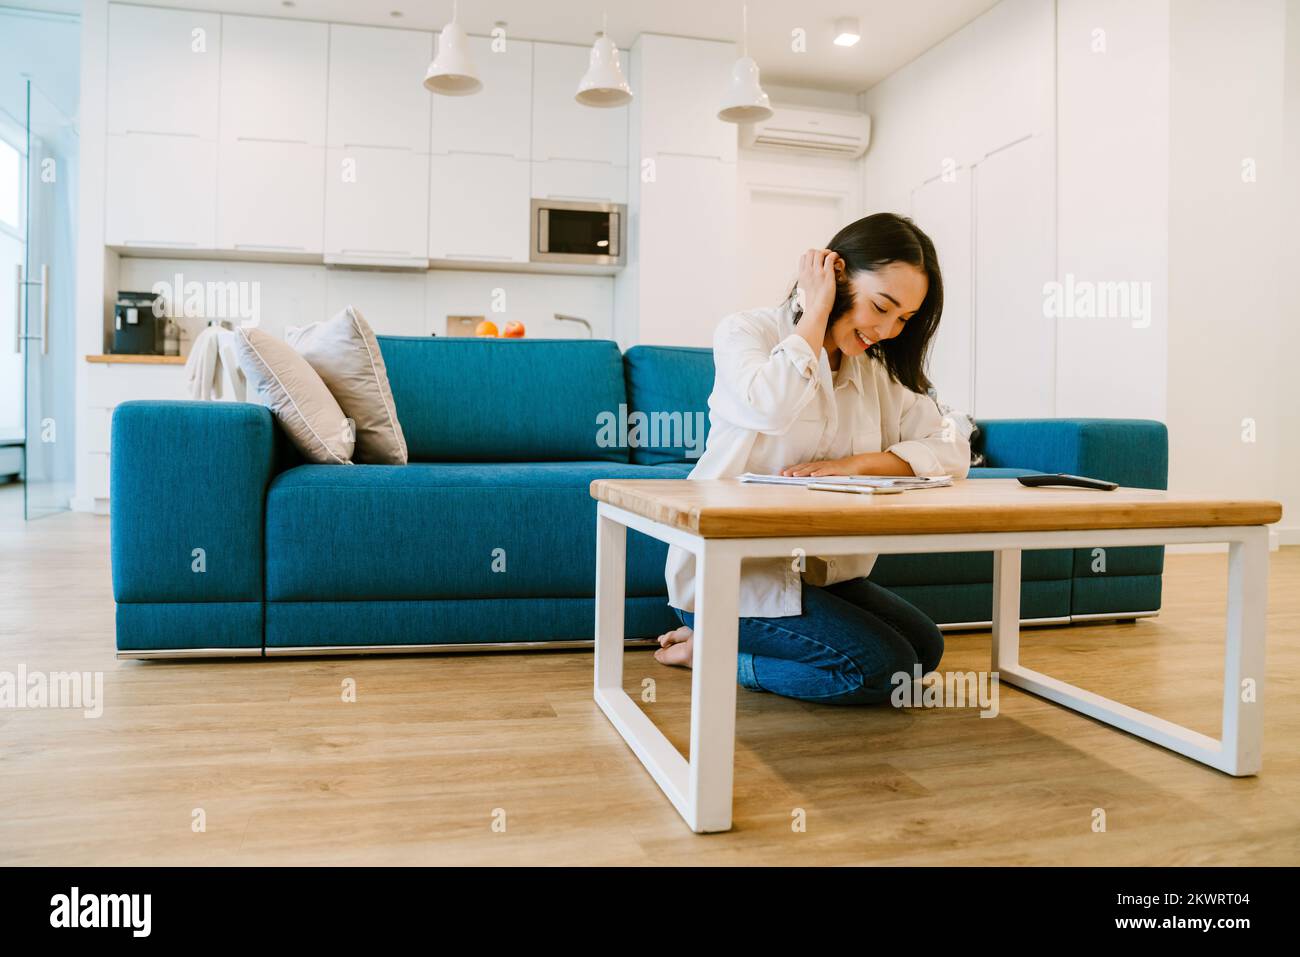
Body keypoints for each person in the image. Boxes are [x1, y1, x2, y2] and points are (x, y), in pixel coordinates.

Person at [658, 212, 971, 704]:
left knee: (925, 650)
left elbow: (953, 444)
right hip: (734, 576)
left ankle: (723, 648)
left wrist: (862, 464)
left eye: (904, 319)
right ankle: (715, 655)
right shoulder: (746, 333)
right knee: (889, 674)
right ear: (837, 275)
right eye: (881, 307)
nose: (888, 330)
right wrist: (815, 310)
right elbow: (769, 406)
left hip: (821, 575)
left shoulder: (873, 371)